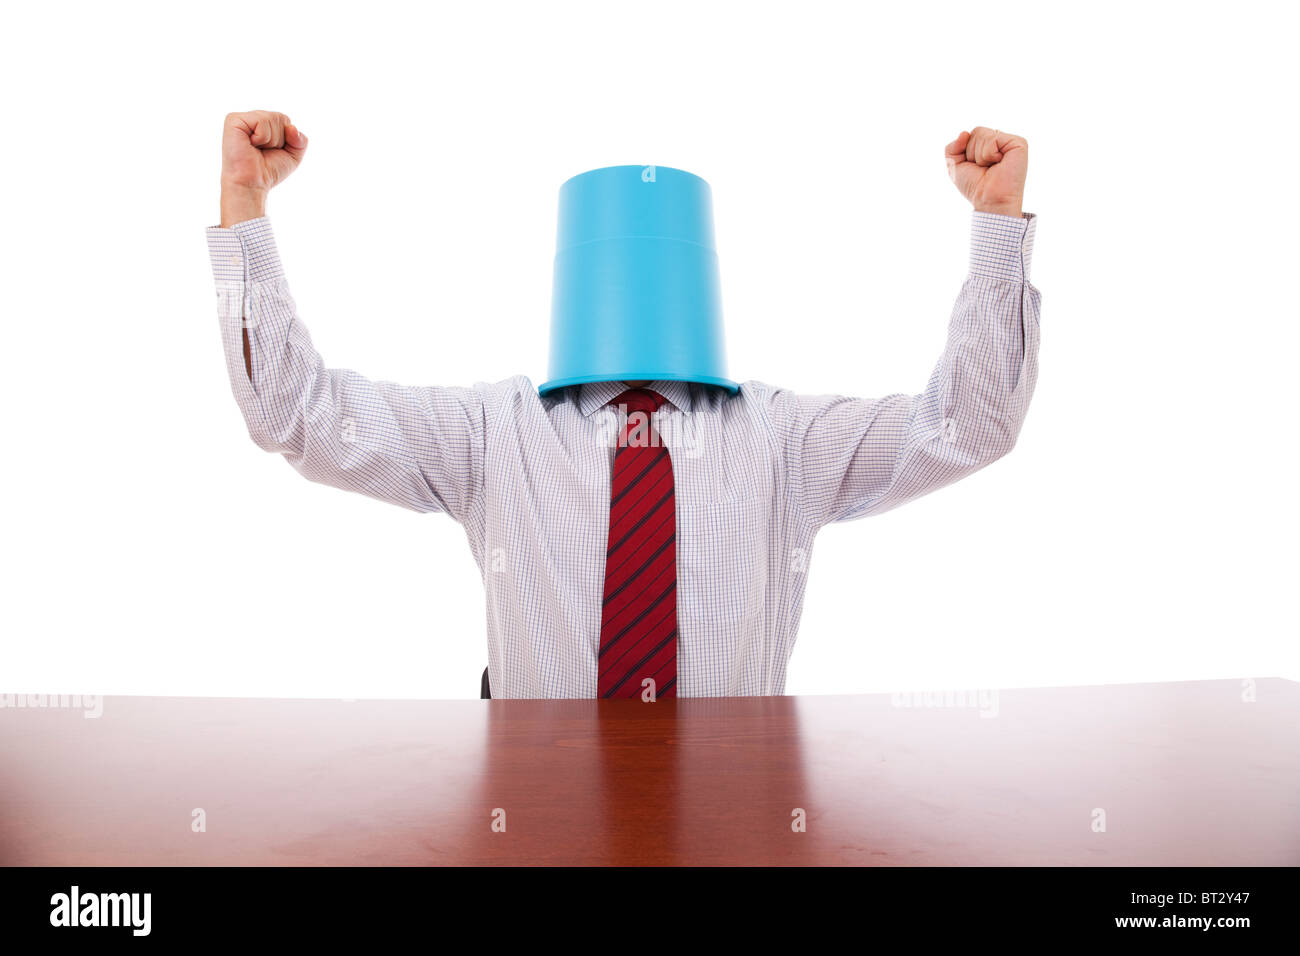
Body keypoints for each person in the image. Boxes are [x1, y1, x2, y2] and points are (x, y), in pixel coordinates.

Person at [207, 110, 1040, 700]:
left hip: (733, 823)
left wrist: (997, 224)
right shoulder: (497, 434)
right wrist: (246, 207)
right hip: (539, 821)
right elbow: (296, 415)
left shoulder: (779, 439)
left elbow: (966, 427)